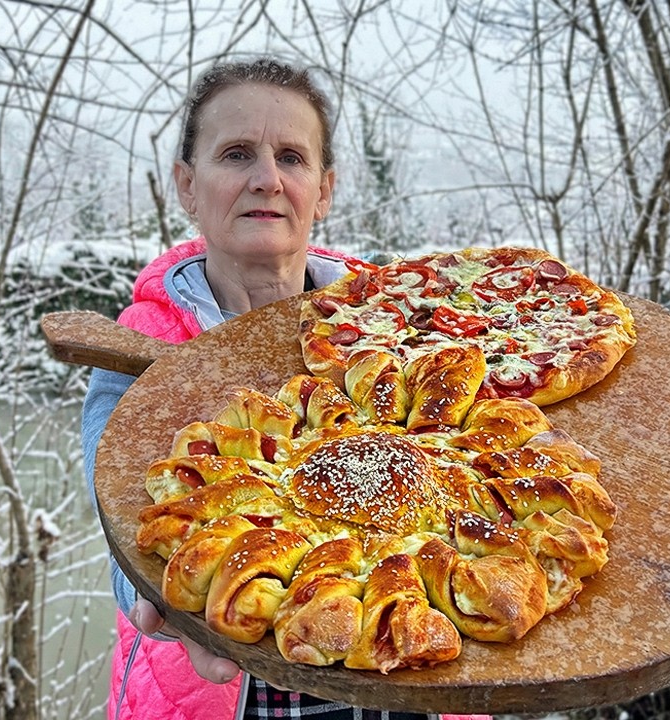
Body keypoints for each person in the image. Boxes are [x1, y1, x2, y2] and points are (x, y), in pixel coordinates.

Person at [81, 56, 491, 720]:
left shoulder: (396, 328)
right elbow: (125, 527)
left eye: (292, 158)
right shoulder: (138, 346)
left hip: (414, 675)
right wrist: (170, 608)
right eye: (237, 153)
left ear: (323, 190)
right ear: (187, 185)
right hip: (226, 692)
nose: (266, 179)